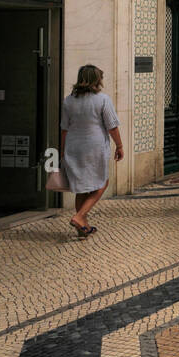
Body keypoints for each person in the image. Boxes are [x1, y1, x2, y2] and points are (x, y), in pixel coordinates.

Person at [59, 64, 123, 239]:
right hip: (94, 147)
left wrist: (62, 150)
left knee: (82, 188)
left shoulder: (68, 100)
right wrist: (119, 146)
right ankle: (79, 217)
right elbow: (112, 127)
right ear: (96, 80)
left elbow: (64, 128)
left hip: (73, 146)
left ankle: (83, 226)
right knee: (102, 182)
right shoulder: (102, 99)